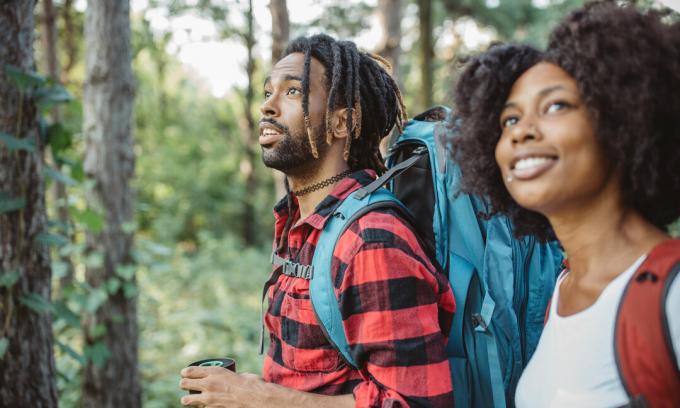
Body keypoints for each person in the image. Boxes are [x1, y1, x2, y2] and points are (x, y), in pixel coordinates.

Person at [180, 34, 456, 408]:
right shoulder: (300, 225)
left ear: (342, 122)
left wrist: (261, 398)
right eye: (267, 93)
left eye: (292, 92)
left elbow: (415, 403)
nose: (268, 107)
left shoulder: (371, 239)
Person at [449, 2, 680, 407]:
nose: (521, 133)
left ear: (621, 121)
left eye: (556, 106)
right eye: (509, 120)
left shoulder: (672, 294)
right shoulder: (564, 285)